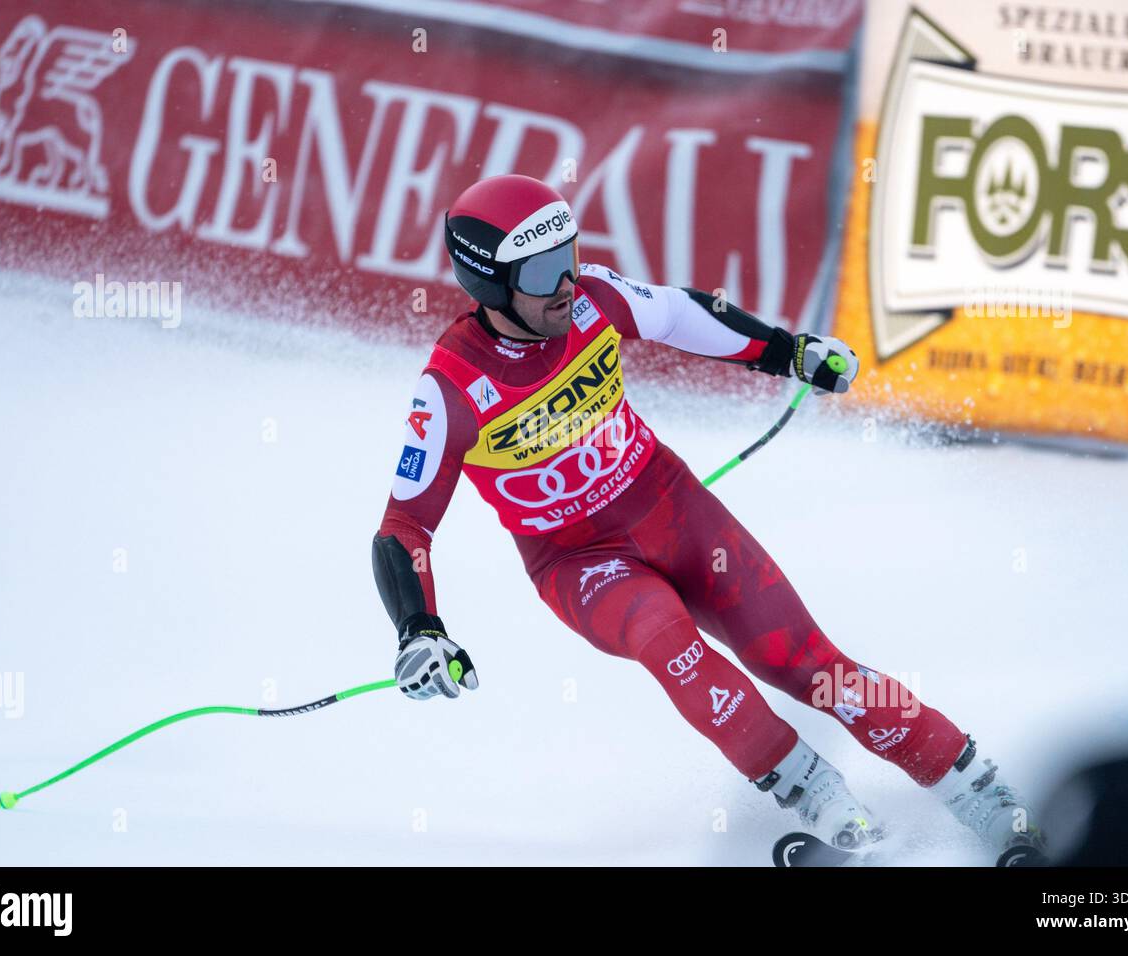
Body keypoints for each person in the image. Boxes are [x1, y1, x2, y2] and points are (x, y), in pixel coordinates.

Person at [371, 174, 1044, 863]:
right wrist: (418, 630)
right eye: (543, 272)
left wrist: (788, 352)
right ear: (488, 282)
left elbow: (684, 315)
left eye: (568, 258)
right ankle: (843, 821)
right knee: (668, 637)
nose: (566, 283)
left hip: (670, 505)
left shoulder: (592, 301)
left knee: (805, 662)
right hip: (579, 564)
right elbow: (404, 526)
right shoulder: (451, 390)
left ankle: (988, 801)